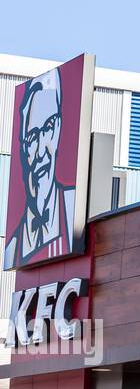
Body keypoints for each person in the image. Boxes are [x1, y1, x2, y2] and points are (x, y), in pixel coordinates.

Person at [4, 68, 76, 268]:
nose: (42, 151)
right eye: (33, 136)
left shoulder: (74, 214)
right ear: (23, 146)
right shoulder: (12, 251)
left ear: (59, 128)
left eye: (48, 127)